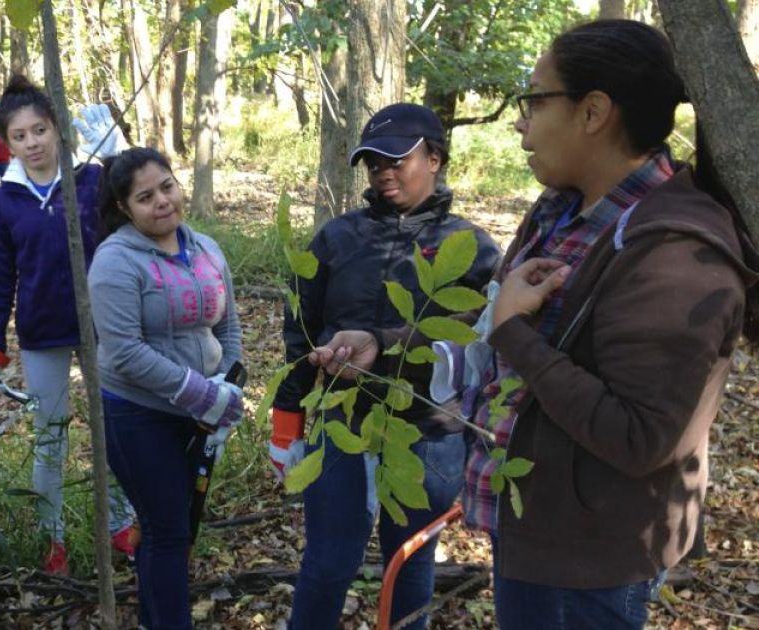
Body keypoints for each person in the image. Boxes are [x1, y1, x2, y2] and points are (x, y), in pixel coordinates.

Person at [316, 20, 759, 630]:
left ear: (593, 111)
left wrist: (513, 333)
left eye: (534, 100)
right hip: (532, 524)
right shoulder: (564, 209)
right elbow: (500, 316)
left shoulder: (675, 249)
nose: (520, 121)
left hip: (584, 557)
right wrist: (385, 344)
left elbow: (638, 436)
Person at [273, 104, 500, 630]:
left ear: (435, 158)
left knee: (410, 561)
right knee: (329, 559)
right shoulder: (337, 238)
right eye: (373, 162)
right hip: (340, 419)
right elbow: (299, 331)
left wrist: (481, 439)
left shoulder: (472, 249)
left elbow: (481, 346)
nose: (383, 171)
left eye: (397, 158)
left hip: (428, 428)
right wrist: (287, 424)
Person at [0, 74, 136, 575]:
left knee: (115, 429)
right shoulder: (5, 201)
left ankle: (122, 524)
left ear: (57, 128)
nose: (32, 143)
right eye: (19, 135)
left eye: (39, 130)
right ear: (7, 141)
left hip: (103, 327)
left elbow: (144, 221)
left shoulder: (93, 179)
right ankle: (52, 539)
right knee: (50, 439)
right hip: (42, 332)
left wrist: (121, 160)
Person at [89, 147, 243, 630]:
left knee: (179, 527)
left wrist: (228, 384)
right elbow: (124, 353)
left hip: (201, 411)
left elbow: (230, 327)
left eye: (167, 186)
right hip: (137, 413)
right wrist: (201, 393)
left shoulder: (206, 249)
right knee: (168, 529)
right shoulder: (114, 263)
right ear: (123, 208)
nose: (161, 201)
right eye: (145, 196)